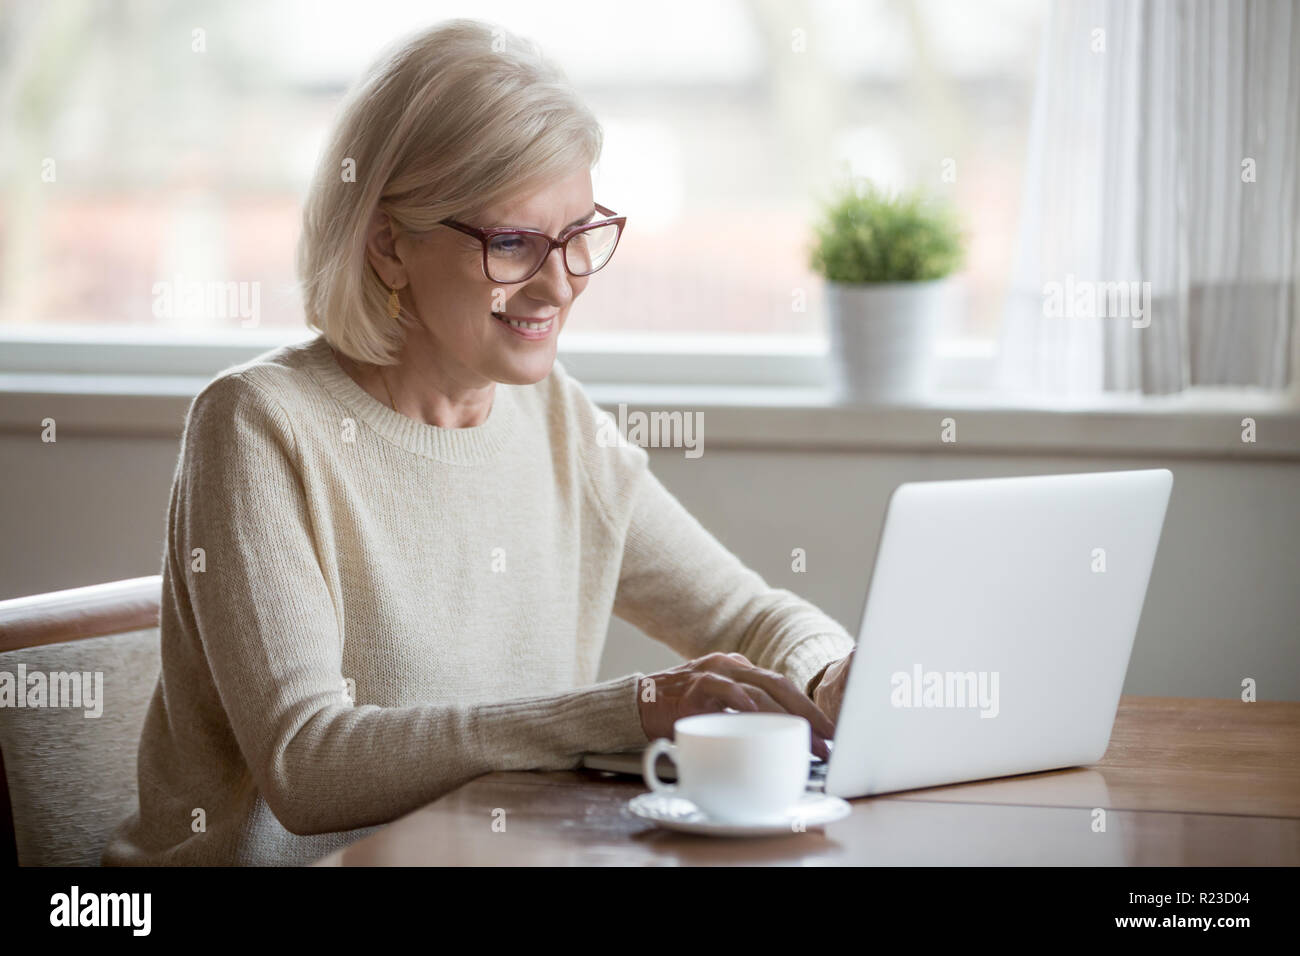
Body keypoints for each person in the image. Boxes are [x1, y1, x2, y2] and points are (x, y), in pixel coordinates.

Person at [103, 18, 855, 866]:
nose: (559, 285)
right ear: (389, 245)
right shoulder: (257, 425)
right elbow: (308, 766)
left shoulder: (556, 421)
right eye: (513, 243)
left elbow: (749, 615)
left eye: (578, 236)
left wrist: (833, 677)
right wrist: (629, 708)